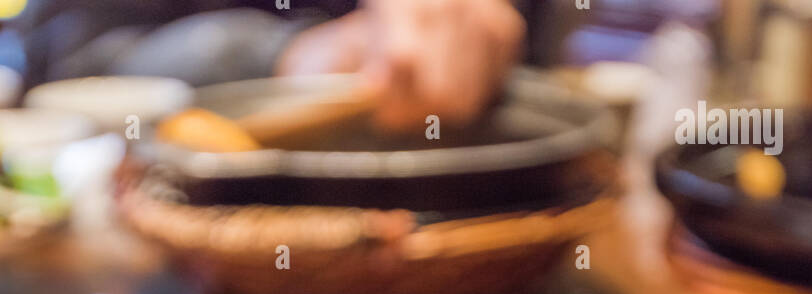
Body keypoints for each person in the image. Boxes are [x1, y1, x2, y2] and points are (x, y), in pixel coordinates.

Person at [2, 0, 526, 130]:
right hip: (168, 269)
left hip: (483, 231)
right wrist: (287, 57)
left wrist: (486, 27)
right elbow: (68, 58)